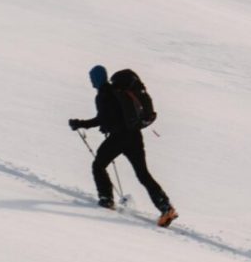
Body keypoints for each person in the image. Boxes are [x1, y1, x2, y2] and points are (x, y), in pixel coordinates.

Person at [69, 64, 176, 226]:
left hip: (119, 138)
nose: (91, 81)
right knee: (143, 174)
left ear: (98, 79)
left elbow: (102, 119)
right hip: (134, 136)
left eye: (92, 78)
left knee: (98, 165)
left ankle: (106, 200)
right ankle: (166, 208)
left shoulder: (104, 95)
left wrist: (80, 124)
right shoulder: (117, 91)